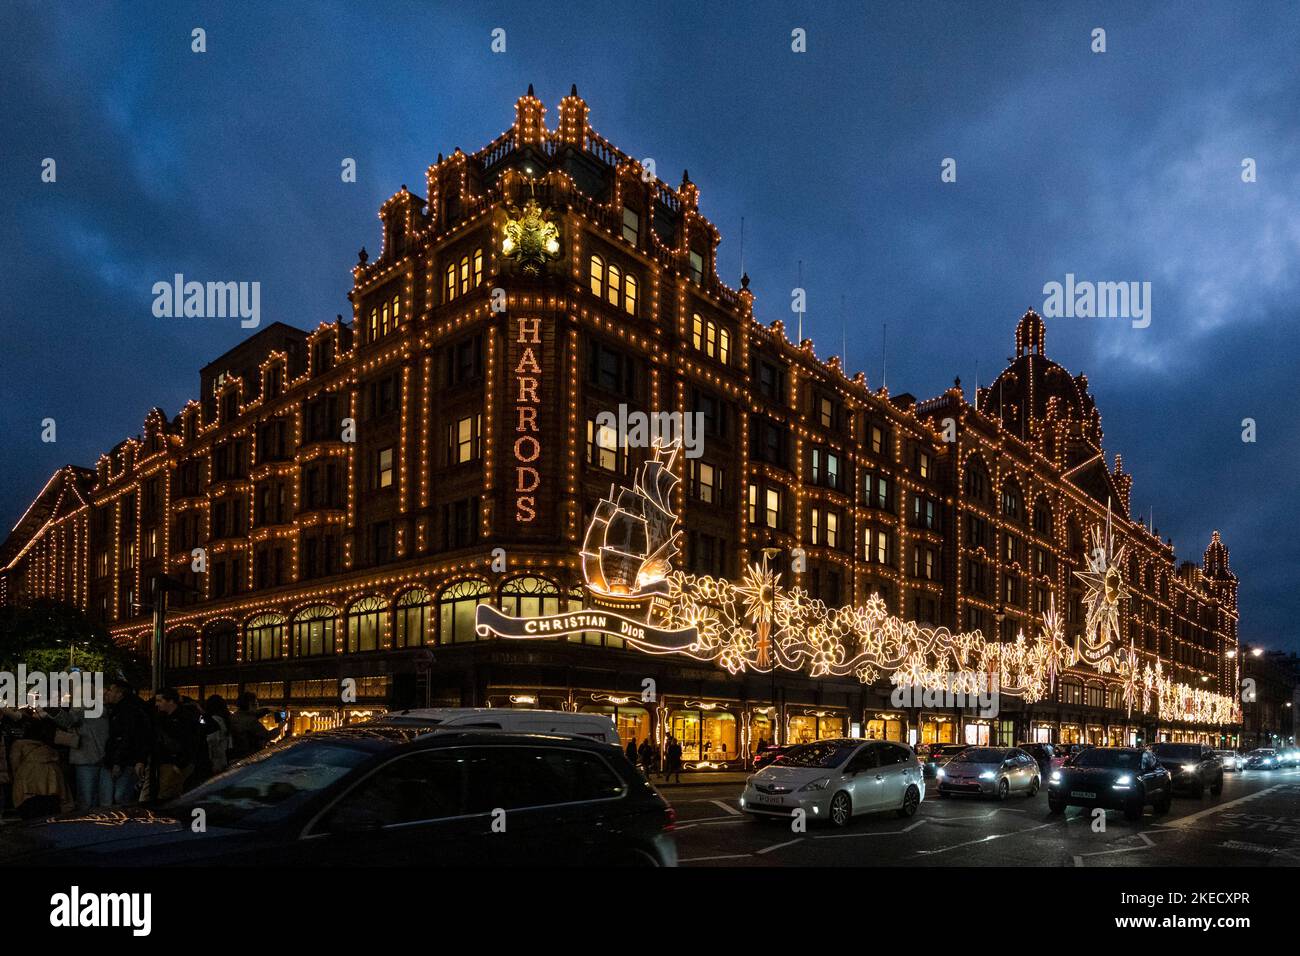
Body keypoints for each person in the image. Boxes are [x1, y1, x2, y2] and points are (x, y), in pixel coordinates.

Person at [10, 712, 71, 819]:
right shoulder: (48, 747)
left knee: (31, 814)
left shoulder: (19, 745)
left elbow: (15, 764)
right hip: (52, 782)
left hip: (28, 784)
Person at [53, 706, 111, 811]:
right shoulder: (106, 708)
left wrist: (53, 710)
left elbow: (68, 721)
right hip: (104, 758)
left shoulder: (80, 708)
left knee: (87, 800)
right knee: (104, 800)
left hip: (86, 757)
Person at [104, 679, 152, 806]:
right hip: (130, 759)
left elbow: (126, 737)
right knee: (122, 794)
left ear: (120, 694)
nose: (108, 693)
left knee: (121, 795)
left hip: (127, 760)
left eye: (111, 690)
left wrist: (118, 762)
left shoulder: (125, 711)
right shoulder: (129, 709)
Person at [152, 688, 201, 800]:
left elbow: (191, 742)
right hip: (169, 761)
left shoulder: (184, 719)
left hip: (174, 762)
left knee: (167, 794)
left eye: (160, 701)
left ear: (171, 701)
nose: (157, 704)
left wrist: (180, 763)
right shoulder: (163, 718)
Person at [228, 692, 271, 760]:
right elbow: (267, 735)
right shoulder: (251, 721)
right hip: (250, 756)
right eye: (256, 703)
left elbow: (247, 717)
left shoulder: (233, 717)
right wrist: (279, 728)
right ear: (250, 704)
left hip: (235, 755)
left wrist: (263, 711)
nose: (257, 706)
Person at [202, 695, 232, 776]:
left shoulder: (212, 721)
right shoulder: (225, 720)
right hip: (223, 758)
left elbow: (212, 742)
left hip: (215, 761)